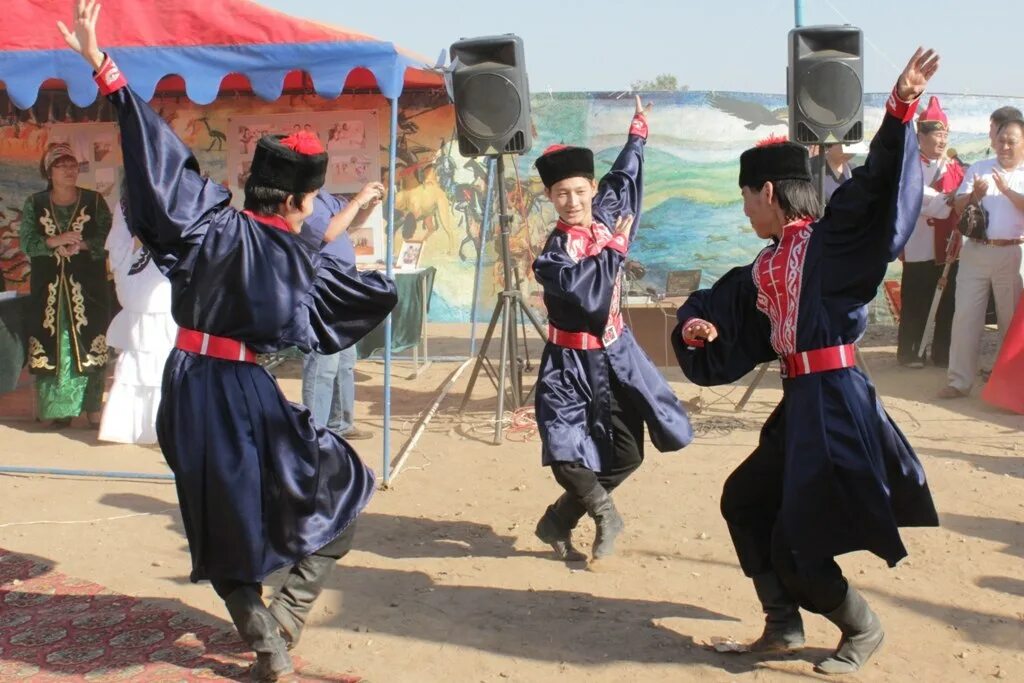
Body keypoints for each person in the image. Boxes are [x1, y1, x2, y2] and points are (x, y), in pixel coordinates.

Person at [58, 2, 397, 680]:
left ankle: (266, 633)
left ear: (253, 185)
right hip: (246, 390)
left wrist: (107, 69)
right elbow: (364, 299)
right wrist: (366, 261)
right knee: (343, 489)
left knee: (217, 520)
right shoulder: (301, 263)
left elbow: (159, 160)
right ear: (303, 203)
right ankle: (288, 615)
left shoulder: (208, 226)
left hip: (186, 384)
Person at [671, 49, 941, 675]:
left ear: (767, 191)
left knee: (801, 538)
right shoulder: (762, 266)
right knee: (744, 500)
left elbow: (877, 189)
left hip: (838, 403)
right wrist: (697, 324)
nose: (744, 211)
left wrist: (900, 106)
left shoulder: (832, 240)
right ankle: (783, 625)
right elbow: (715, 302)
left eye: (745, 198)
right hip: (800, 403)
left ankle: (860, 627)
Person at [531, 95, 693, 564]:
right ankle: (605, 514)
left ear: (590, 188)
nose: (573, 201)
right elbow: (589, 293)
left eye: (580, 190)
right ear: (550, 198)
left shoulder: (606, 216)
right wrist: (615, 250)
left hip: (617, 354)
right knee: (565, 452)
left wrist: (638, 132)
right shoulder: (553, 256)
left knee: (627, 453)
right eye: (562, 193)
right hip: (568, 363)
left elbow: (624, 177)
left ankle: (558, 521)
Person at [19, 141, 111, 429]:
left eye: (73, 165)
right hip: (49, 291)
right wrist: (54, 242)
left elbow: (110, 239)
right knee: (54, 346)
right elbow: (27, 242)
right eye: (62, 165)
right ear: (49, 171)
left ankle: (93, 409)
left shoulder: (94, 202)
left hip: (88, 289)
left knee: (91, 344)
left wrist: (82, 244)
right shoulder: (35, 203)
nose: (70, 170)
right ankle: (59, 410)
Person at [940, 116, 1024, 398]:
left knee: (1009, 321)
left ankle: (1007, 385)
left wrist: (1007, 191)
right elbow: (958, 206)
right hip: (975, 250)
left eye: (1012, 141)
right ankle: (959, 381)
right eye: (1001, 140)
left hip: (1011, 253)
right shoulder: (979, 168)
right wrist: (975, 194)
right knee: (965, 317)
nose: (1005, 146)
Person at [300, 183, 384, 441]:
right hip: (322, 290)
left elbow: (349, 223)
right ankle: (315, 433)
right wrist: (358, 199)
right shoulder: (304, 200)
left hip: (342, 289)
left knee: (345, 363)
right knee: (323, 365)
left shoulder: (325, 196)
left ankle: (340, 424)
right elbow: (328, 232)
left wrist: (369, 205)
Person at [98, 194, 177, 444]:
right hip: (142, 276)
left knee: (166, 353)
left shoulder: (176, 194)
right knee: (139, 354)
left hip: (169, 279)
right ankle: (134, 426)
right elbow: (119, 244)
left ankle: (163, 425)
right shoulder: (127, 202)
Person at [896, 96, 964, 368]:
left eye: (945, 134)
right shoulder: (908, 166)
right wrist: (944, 200)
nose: (942, 140)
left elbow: (958, 201)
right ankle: (910, 351)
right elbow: (912, 198)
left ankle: (941, 353)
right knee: (916, 298)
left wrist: (945, 201)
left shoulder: (955, 167)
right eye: (937, 133)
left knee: (949, 302)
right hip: (920, 243)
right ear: (920, 135)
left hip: (950, 244)